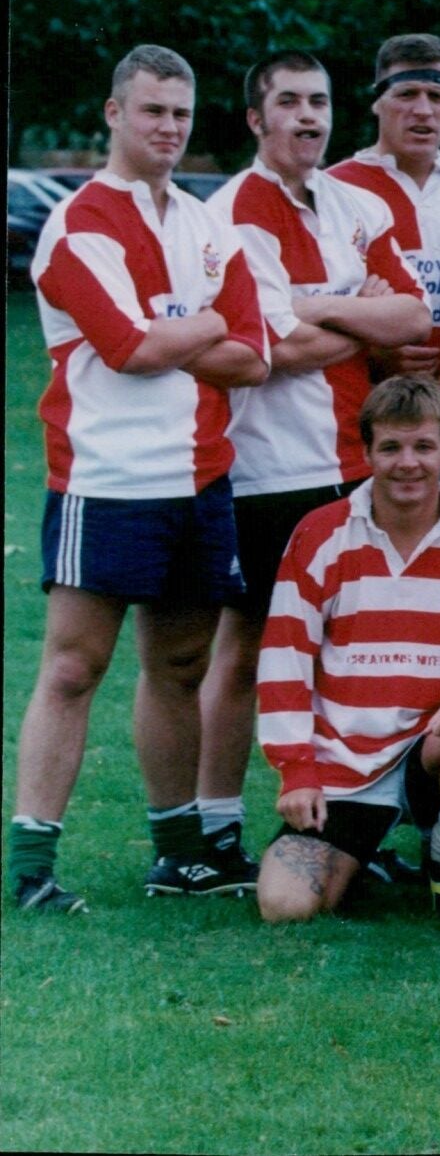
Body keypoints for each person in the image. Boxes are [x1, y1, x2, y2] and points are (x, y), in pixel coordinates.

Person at [11, 44, 268, 913]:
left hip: (200, 479)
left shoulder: (202, 223)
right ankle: (30, 868)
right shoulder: (79, 224)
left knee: (182, 665)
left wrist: (179, 331)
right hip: (107, 479)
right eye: (152, 111)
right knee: (75, 667)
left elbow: (256, 354)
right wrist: (200, 325)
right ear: (114, 115)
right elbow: (128, 350)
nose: (168, 128)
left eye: (181, 115)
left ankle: (178, 857)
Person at [196, 51, 433, 896]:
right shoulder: (231, 213)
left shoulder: (357, 203)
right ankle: (212, 832)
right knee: (253, 645)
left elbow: (415, 314)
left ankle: (346, 826)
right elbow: (274, 348)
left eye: (320, 102)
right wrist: (356, 316)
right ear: (255, 119)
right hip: (268, 466)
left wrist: (314, 302)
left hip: (353, 460)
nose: (307, 116)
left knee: (352, 647)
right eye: (288, 102)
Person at [254, 378, 440, 922]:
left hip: (430, 750)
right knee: (285, 908)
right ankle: (366, 856)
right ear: (367, 453)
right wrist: (297, 770)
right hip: (346, 762)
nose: (408, 463)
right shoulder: (319, 535)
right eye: (391, 448)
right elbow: (284, 658)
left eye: (423, 447)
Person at [329, 33, 440, 513]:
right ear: (378, 103)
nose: (423, 111)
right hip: (362, 408)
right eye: (406, 95)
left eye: (437, 96)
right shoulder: (334, 190)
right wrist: (376, 348)